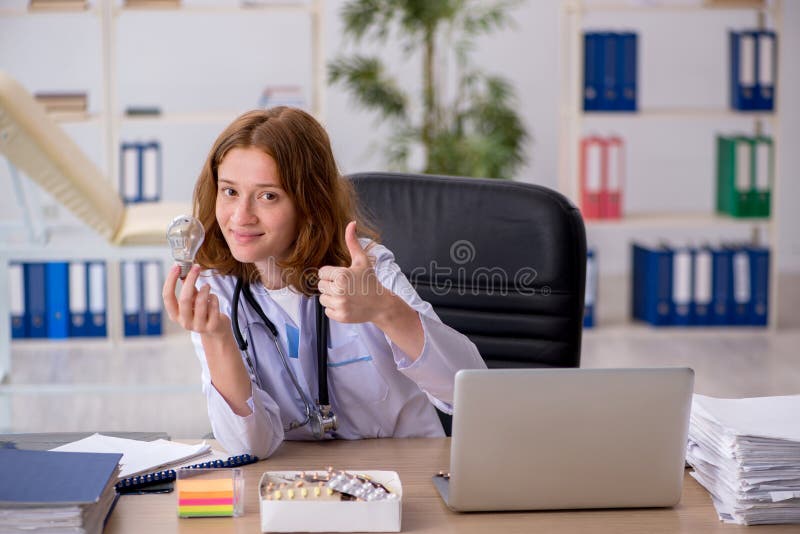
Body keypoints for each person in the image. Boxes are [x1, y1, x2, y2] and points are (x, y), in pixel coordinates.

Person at [162, 107, 486, 459]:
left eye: (268, 195)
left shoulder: (367, 269)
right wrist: (216, 338)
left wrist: (384, 308)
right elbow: (251, 446)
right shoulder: (215, 291)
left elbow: (470, 391)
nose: (240, 217)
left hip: (404, 474)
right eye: (229, 192)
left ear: (309, 202)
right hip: (294, 485)